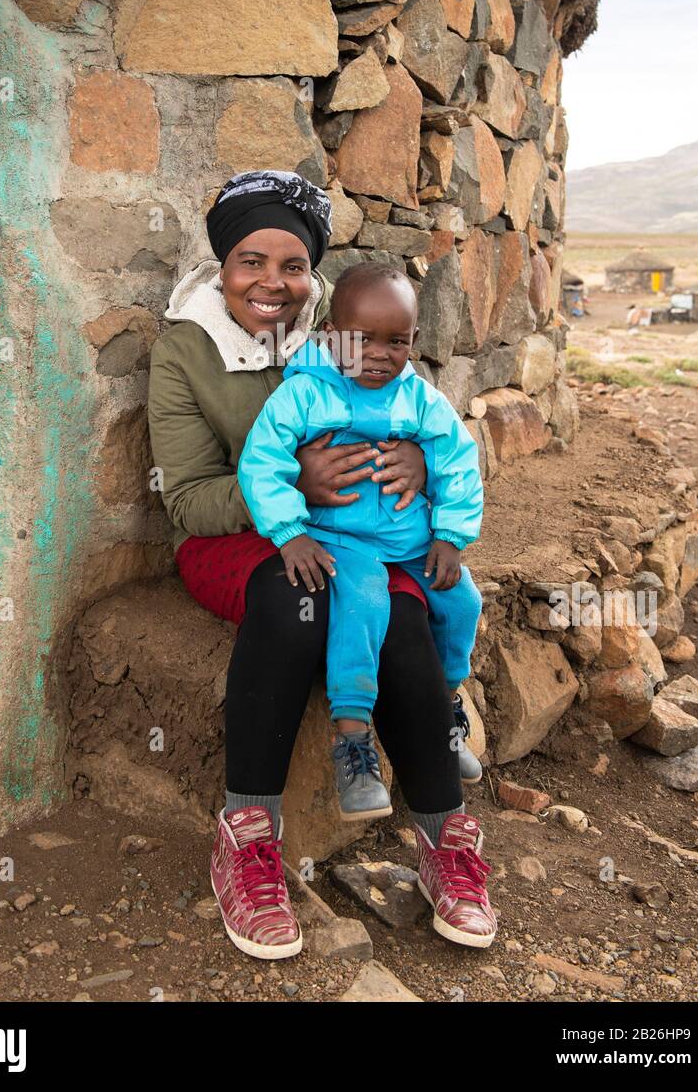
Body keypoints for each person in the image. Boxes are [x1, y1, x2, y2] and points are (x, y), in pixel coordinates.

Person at [147, 169, 497, 959]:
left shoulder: (349, 330)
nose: (272, 283)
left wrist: (412, 461)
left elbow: (437, 431)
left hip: (357, 538)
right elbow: (187, 500)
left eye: (293, 266)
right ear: (221, 265)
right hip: (236, 539)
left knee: (406, 612)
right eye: (250, 261)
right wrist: (294, 485)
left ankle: (446, 841)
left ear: (315, 275)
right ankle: (248, 836)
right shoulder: (185, 352)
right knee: (302, 599)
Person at [236, 262, 484, 825]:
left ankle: (446, 706)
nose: (378, 354)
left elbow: (458, 464)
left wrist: (449, 534)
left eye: (395, 342)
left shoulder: (419, 400)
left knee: (462, 599)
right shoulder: (302, 396)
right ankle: (352, 735)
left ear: (414, 343)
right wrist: (290, 533)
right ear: (328, 336)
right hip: (338, 537)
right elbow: (262, 466)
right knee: (367, 598)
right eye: (362, 339)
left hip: (409, 540)